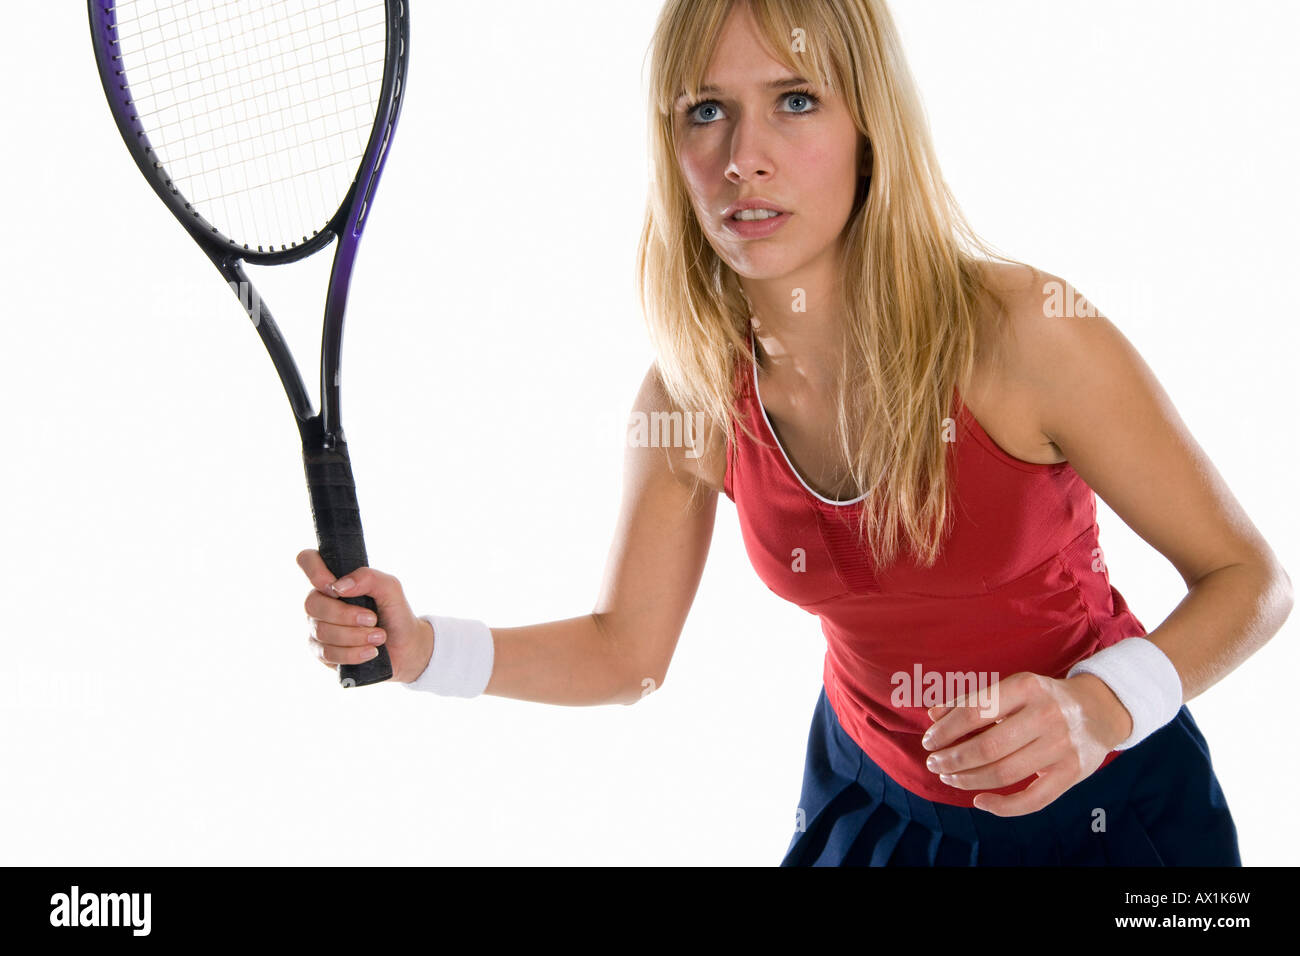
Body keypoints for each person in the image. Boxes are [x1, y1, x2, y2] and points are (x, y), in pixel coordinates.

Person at [298, 0, 1292, 865]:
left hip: (1112, 810)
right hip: (872, 806)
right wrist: (424, 649)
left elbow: (1251, 579)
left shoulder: (1025, 330)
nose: (744, 158)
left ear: (872, 124)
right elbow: (627, 652)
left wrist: (1097, 708)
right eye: (705, 110)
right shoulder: (688, 391)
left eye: (796, 99)